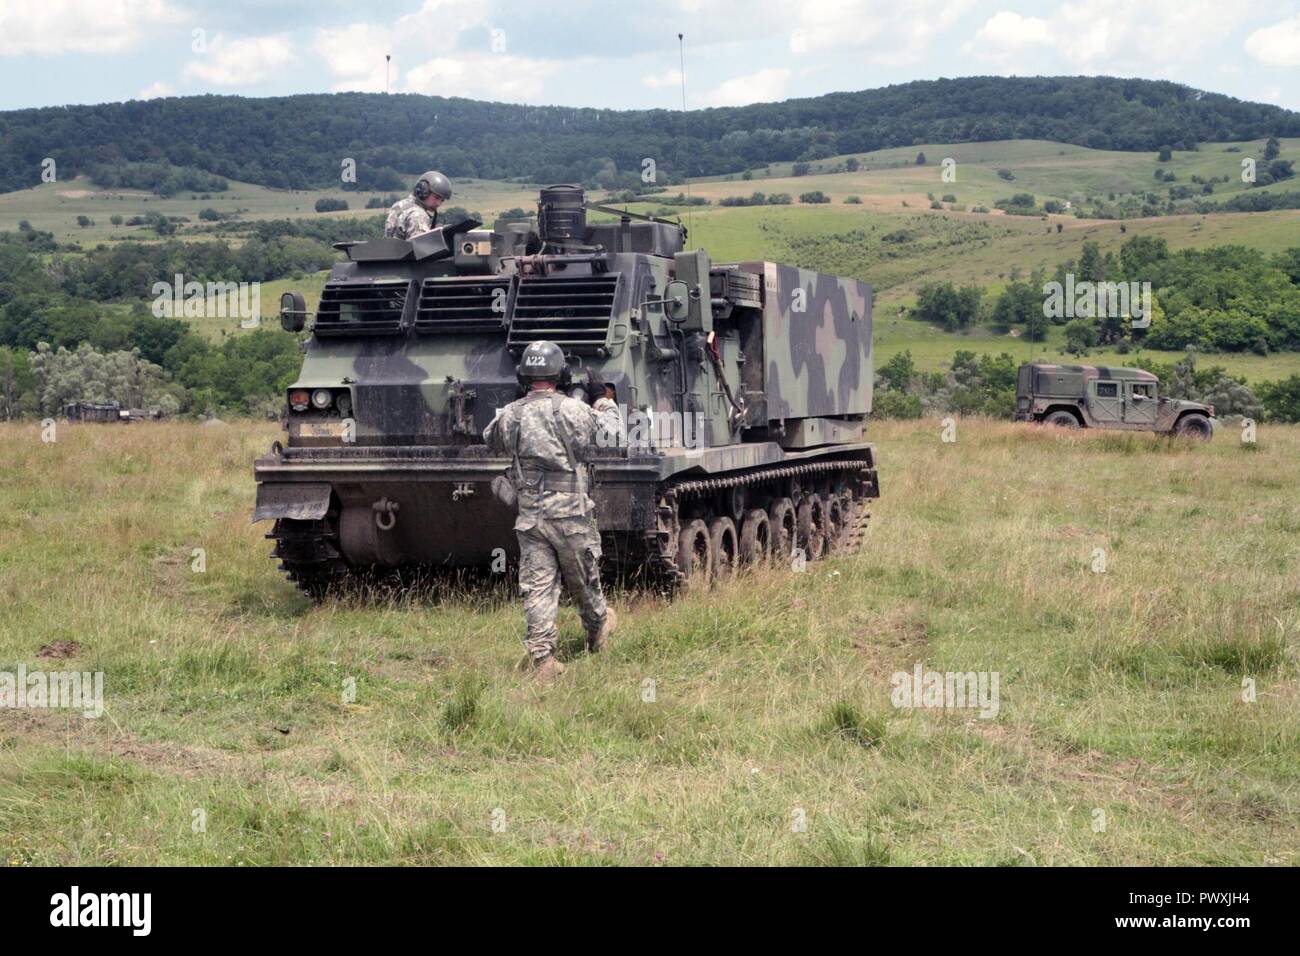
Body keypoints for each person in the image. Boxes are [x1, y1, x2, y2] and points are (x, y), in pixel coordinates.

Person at [483, 341, 623, 683]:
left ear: (523, 377)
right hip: (571, 515)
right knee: (583, 580)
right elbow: (614, 437)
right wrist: (603, 400)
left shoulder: (511, 414)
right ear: (560, 375)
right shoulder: (573, 411)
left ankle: (543, 660)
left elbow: (490, 437)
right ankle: (597, 630)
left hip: (531, 517)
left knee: (537, 587)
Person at [384, 170, 452, 239]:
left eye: (442, 200)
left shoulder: (399, 206)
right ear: (424, 191)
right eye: (436, 197)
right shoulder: (418, 215)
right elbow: (422, 247)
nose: (438, 203)